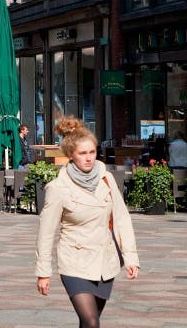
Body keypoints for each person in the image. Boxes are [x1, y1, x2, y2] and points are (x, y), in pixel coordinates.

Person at [36, 117, 139, 328]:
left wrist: (131, 257)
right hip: (74, 262)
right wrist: (43, 273)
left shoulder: (106, 178)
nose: (89, 158)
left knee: (89, 322)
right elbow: (46, 233)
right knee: (91, 322)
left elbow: (121, 218)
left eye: (92, 152)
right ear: (71, 155)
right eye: (83, 153)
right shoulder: (58, 187)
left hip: (105, 261)